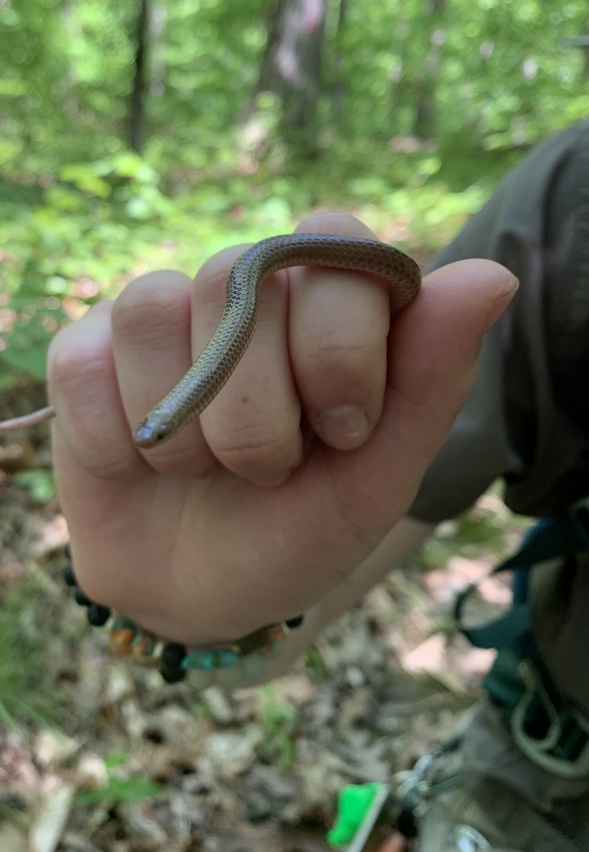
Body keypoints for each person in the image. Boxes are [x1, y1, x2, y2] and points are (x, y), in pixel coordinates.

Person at [47, 120, 589, 851]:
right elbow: (268, 642)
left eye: (160, 426)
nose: (157, 432)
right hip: (547, 770)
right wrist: (183, 618)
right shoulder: (575, 200)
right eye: (159, 427)